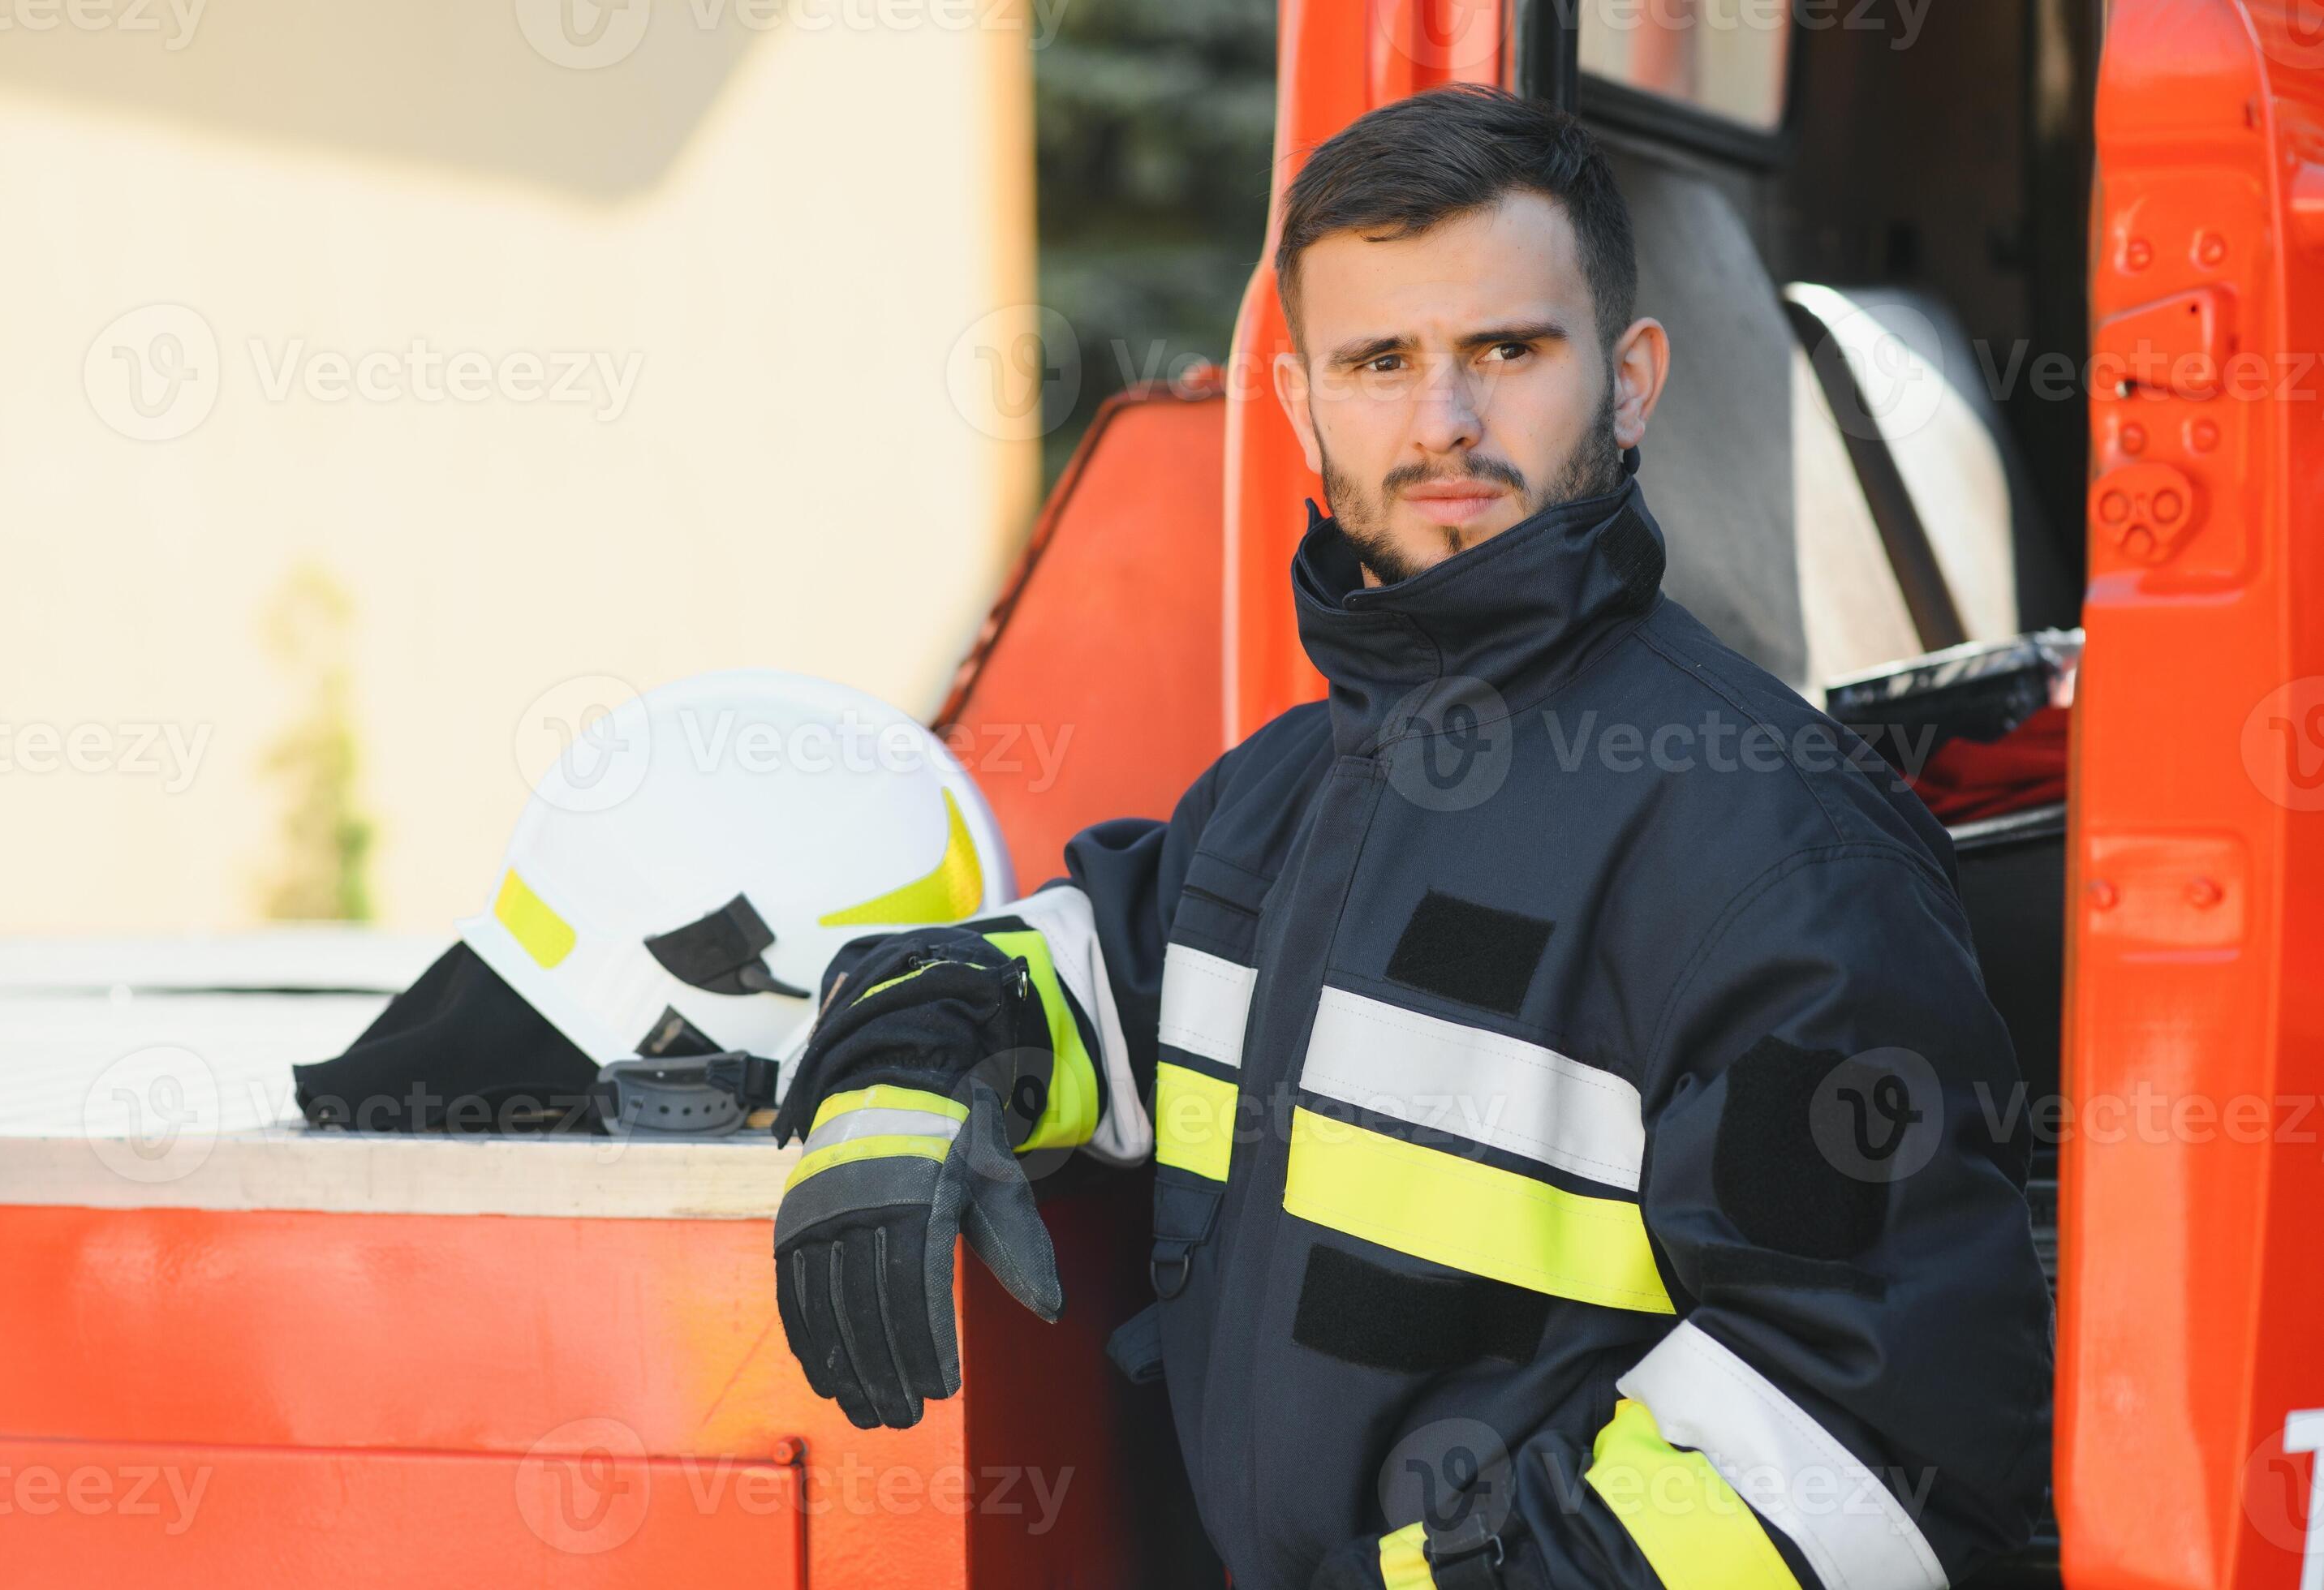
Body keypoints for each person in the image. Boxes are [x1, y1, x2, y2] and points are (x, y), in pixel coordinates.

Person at [770, 84, 2052, 1590]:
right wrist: (892, 1099)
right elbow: (1055, 974)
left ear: (1631, 382)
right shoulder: (1277, 799)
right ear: (1302, 404)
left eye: (1506, 350)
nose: (1442, 421)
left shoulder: (1777, 850)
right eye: (1379, 361)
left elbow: (1859, 1459)